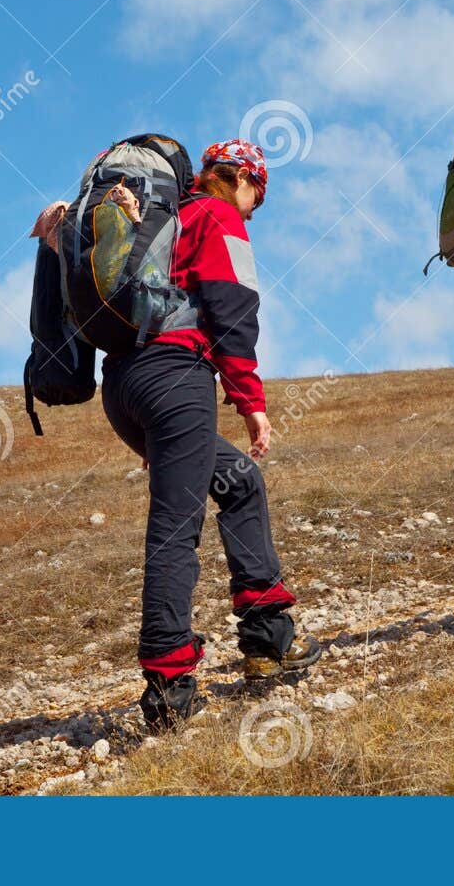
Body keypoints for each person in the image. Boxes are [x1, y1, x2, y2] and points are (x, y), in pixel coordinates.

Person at [100, 138, 322, 731]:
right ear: (243, 179)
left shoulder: (162, 218)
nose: (255, 210)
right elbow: (232, 307)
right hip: (174, 377)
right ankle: (169, 689)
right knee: (175, 530)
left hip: (122, 385)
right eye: (260, 196)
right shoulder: (216, 214)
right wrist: (251, 402)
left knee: (239, 481)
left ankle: (268, 640)